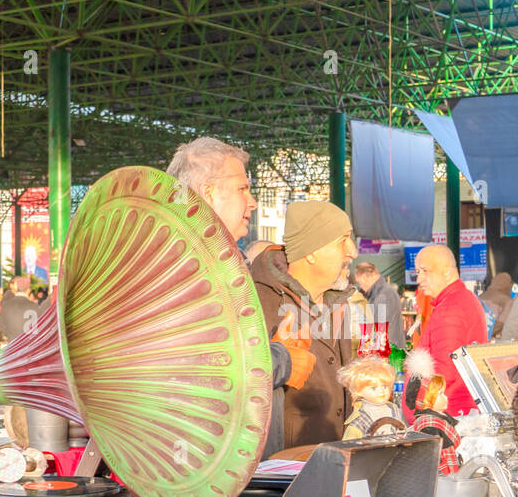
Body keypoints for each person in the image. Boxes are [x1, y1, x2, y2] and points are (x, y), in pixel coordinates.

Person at [166, 136, 314, 457]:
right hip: (207, 462)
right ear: (209, 194)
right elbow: (209, 365)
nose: (253, 202)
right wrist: (284, 360)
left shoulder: (207, 260)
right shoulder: (192, 267)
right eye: (242, 189)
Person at [251, 201, 358, 449]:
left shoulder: (339, 301)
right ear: (311, 252)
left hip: (333, 462)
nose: (352, 251)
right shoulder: (256, 302)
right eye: (343, 240)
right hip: (282, 472)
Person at [406, 244, 486, 418]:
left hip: (447, 414)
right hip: (461, 410)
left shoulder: (451, 308)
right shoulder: (463, 299)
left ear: (447, 273)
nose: (419, 280)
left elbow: (445, 371)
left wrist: (417, 406)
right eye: (418, 272)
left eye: (425, 271)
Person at [404, 348, 462, 473]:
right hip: (445, 476)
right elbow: (439, 459)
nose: (445, 397)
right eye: (440, 394)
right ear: (426, 399)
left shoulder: (437, 420)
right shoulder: (430, 426)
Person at [338, 355, 405, 439]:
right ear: (358, 391)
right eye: (374, 388)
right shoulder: (360, 420)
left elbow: (403, 431)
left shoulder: (393, 409)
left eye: (384, 386)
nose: (381, 391)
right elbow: (349, 445)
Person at [352, 261, 406, 351]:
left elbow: (381, 331)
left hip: (389, 353)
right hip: (389, 350)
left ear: (365, 277)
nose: (361, 286)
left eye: (360, 282)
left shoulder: (383, 294)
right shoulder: (381, 292)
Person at [0, 275, 38, 346]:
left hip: (12, 344)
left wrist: (10, 335)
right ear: (28, 290)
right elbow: (37, 327)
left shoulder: (6, 305)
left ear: (17, 288)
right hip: (30, 345)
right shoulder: (34, 306)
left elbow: (1, 326)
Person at [480, 271, 513, 339]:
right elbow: (500, 324)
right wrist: (486, 336)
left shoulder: (480, 297)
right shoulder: (508, 301)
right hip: (493, 342)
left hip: (475, 340)